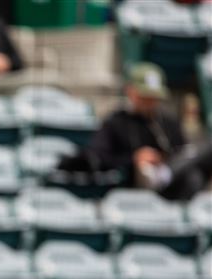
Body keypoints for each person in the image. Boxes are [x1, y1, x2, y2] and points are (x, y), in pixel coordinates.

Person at [83, 63, 194, 195]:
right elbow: (97, 156)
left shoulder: (168, 121)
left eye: (153, 97)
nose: (149, 102)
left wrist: (161, 158)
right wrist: (134, 159)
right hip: (131, 188)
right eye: (144, 96)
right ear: (130, 91)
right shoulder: (116, 122)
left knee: (195, 171)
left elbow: (183, 151)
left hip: (172, 179)